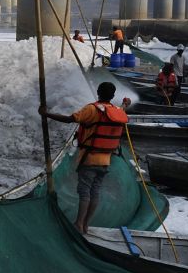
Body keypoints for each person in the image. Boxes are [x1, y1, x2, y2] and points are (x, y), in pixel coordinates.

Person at [40, 82, 131, 234]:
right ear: (113, 96)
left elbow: (70, 119)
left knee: (84, 192)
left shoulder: (91, 109)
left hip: (89, 159)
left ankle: (79, 224)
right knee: (95, 192)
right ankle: (86, 224)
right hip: (106, 160)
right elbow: (121, 110)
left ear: (98, 92)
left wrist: (46, 114)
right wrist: (125, 104)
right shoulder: (117, 111)